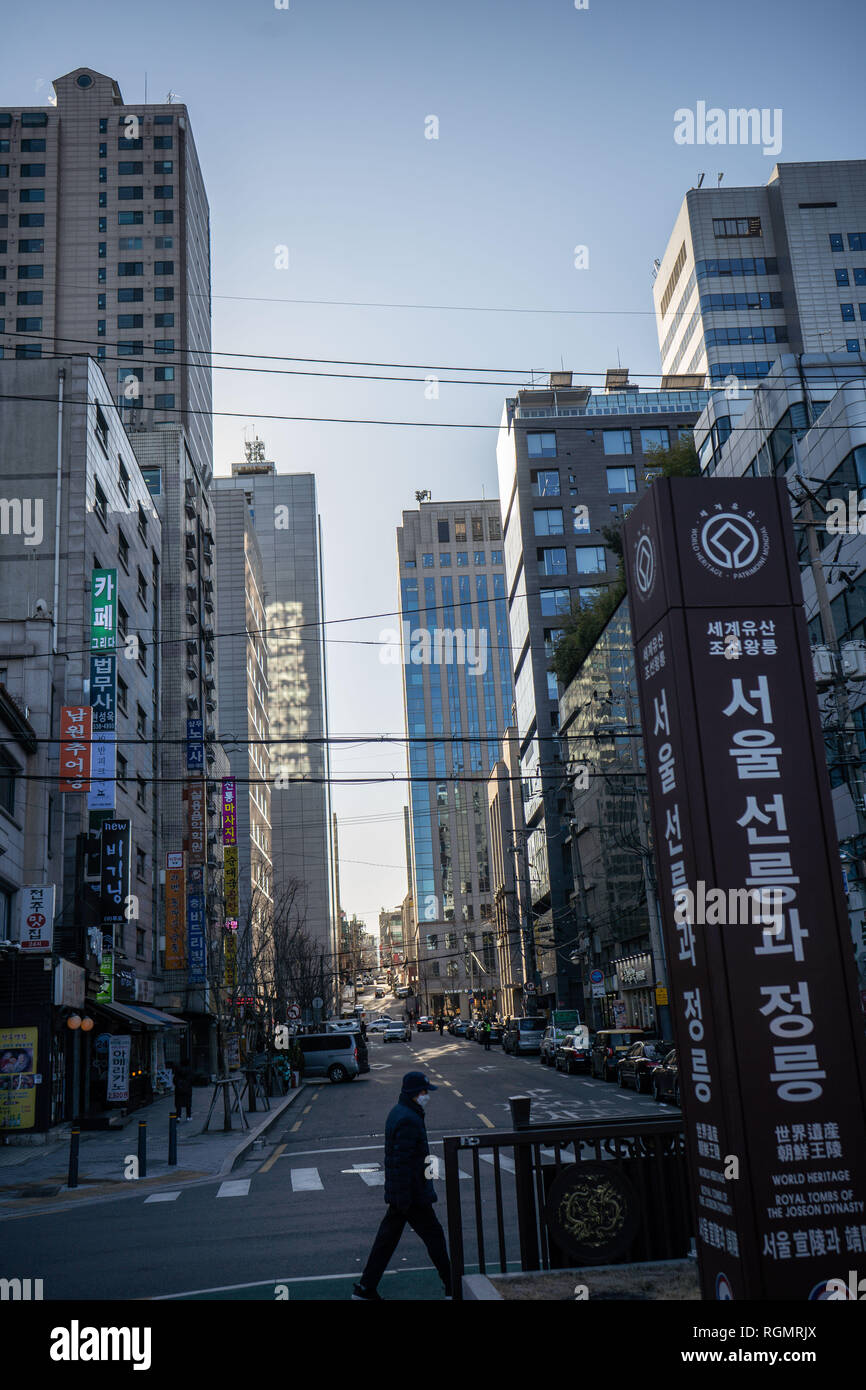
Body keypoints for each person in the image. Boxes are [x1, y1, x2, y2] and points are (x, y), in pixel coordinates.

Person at [353, 1071, 452, 1301]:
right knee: (434, 1238)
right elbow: (403, 1161)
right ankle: (452, 1285)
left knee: (386, 1241)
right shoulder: (409, 1119)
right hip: (412, 1195)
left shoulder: (402, 1112)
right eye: (425, 1091)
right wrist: (406, 1199)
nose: (427, 1095)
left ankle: (365, 1288)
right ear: (415, 1093)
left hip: (404, 1195)